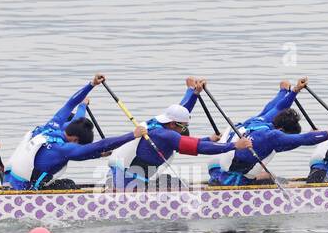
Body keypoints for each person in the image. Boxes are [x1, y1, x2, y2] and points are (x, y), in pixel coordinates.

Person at [2, 75, 145, 190]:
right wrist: (132, 135)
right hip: (23, 190)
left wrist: (91, 85)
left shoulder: (51, 127)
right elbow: (102, 144)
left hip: (8, 180)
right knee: (68, 185)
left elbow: (70, 104)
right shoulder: (65, 149)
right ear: (76, 140)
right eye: (80, 146)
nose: (78, 149)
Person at [105, 78, 248, 190]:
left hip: (118, 177)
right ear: (173, 124)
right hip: (129, 186)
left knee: (173, 181)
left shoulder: (156, 122)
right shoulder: (167, 136)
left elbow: (181, 110)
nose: (183, 130)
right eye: (183, 126)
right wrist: (234, 145)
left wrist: (193, 93)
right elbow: (201, 148)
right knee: (180, 185)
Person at [206, 78, 328, 186]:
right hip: (230, 180)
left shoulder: (259, 122)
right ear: (281, 130)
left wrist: (294, 90)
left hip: (215, 168)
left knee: (265, 174)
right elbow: (304, 139)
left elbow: (278, 106)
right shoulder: (273, 136)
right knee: (270, 178)